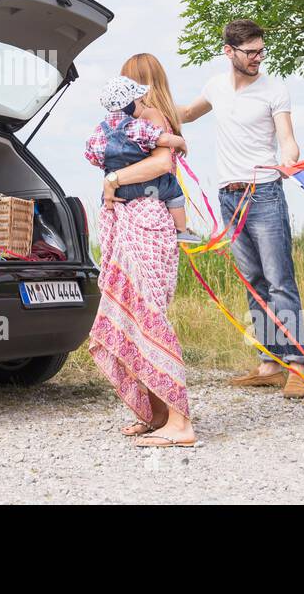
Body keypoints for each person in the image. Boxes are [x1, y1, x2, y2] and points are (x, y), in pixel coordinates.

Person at [177, 19, 304, 398]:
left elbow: (288, 139)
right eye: (250, 52)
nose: (258, 58)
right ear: (229, 52)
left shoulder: (274, 89)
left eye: (260, 51)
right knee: (253, 282)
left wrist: (289, 158)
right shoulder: (217, 87)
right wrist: (146, 107)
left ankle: (298, 364)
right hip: (229, 197)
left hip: (265, 194)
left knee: (279, 280)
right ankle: (270, 363)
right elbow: (187, 114)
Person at [88, 55, 197, 448]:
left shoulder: (151, 119)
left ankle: (180, 422)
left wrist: (113, 179)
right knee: (135, 316)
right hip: (132, 220)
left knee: (148, 314)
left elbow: (163, 162)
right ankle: (158, 414)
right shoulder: (132, 122)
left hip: (145, 221)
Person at [84, 74, 201, 243]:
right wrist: (180, 142)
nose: (142, 105)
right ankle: (181, 230)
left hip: (118, 190)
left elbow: (93, 158)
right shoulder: (138, 126)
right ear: (130, 105)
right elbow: (163, 139)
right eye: (139, 102)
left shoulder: (98, 132)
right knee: (174, 190)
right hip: (147, 186)